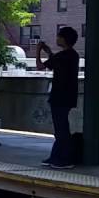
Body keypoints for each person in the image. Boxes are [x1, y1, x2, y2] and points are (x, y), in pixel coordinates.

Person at [37, 25, 80, 169]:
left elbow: (40, 66)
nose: (57, 38)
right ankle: (55, 156)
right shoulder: (72, 55)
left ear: (64, 38)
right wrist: (48, 52)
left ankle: (65, 159)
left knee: (61, 129)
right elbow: (55, 62)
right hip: (67, 96)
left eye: (59, 36)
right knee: (61, 127)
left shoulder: (63, 56)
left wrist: (38, 51)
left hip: (59, 96)